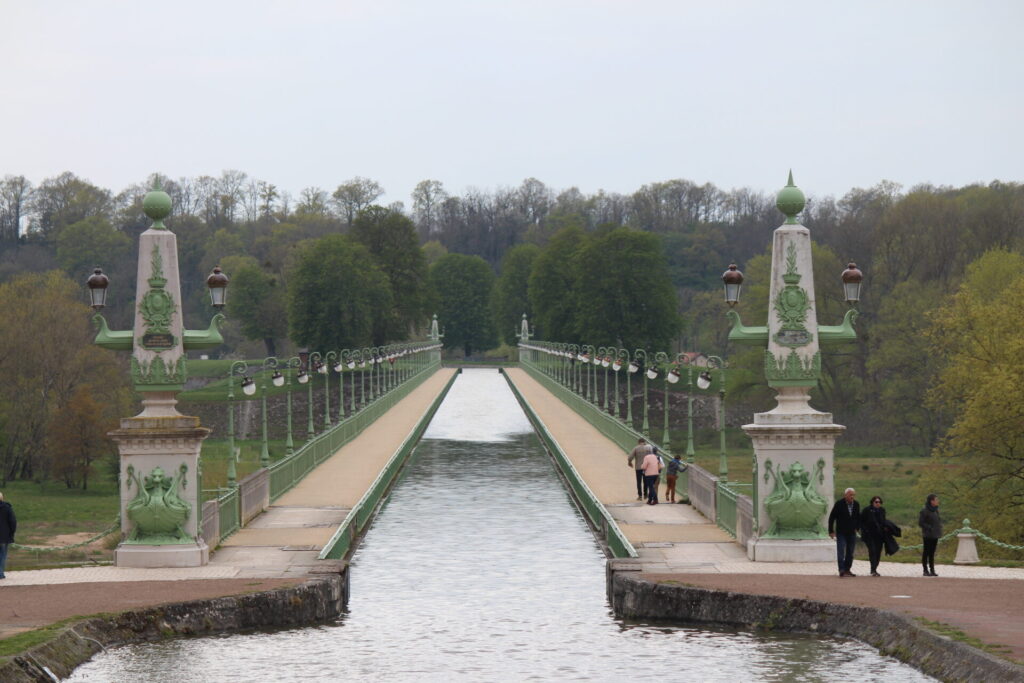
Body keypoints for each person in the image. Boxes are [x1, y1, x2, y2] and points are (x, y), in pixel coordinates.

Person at [828, 487, 860, 577]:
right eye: (850, 495)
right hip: (841, 532)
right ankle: (841, 569)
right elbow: (832, 517)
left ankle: (847, 569)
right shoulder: (839, 504)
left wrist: (857, 528)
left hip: (852, 533)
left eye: (853, 495)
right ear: (845, 495)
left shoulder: (856, 504)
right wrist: (831, 531)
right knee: (841, 551)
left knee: (850, 552)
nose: (852, 497)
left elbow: (858, 518)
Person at [860, 495, 887, 577]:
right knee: (872, 551)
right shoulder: (867, 510)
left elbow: (884, 521)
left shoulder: (882, 510)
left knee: (878, 552)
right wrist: (865, 530)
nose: (878, 503)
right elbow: (861, 521)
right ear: (872, 502)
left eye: (879, 502)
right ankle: (873, 569)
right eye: (876, 502)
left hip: (879, 535)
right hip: (869, 535)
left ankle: (875, 568)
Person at [918, 493, 942, 577]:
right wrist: (929, 528)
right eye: (936, 500)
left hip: (935, 534)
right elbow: (921, 522)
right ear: (931, 501)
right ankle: (925, 570)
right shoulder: (924, 510)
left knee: (932, 553)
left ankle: (932, 569)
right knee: (926, 552)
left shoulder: (935, 510)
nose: (937, 501)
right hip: (927, 535)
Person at [0, 491, 15, 580]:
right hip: (4, 537)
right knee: (2, 555)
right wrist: (11, 533)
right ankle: (0, 573)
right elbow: (13, 522)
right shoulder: (7, 508)